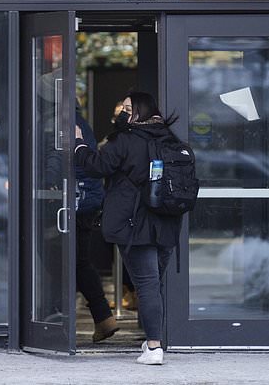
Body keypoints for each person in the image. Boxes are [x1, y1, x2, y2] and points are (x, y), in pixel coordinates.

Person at [74, 92, 182, 365]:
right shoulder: (170, 139)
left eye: (127, 108)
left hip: (136, 224)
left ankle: (155, 346)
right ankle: (153, 342)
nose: (122, 112)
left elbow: (97, 166)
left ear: (139, 111)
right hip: (167, 223)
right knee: (153, 284)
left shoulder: (125, 141)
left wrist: (77, 144)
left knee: (146, 284)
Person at [75, 107, 119, 343]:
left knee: (60, 262)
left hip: (73, 202)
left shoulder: (61, 123)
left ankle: (52, 320)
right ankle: (103, 318)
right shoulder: (81, 122)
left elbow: (57, 161)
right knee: (80, 262)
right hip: (87, 200)